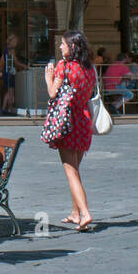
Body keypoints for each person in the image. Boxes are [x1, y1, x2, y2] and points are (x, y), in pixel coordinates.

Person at [44, 29, 96, 231]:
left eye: (62, 44)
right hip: (83, 120)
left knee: (70, 170)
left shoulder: (64, 67)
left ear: (72, 47)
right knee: (76, 168)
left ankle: (84, 213)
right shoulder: (89, 68)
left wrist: (48, 77)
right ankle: (75, 213)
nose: (59, 47)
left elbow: (52, 93)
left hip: (67, 122)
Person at [0, 33, 26, 114]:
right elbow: (15, 62)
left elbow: (2, 61)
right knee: (10, 91)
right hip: (9, 72)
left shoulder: (5, 50)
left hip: (6, 71)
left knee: (9, 90)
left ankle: (7, 108)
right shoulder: (11, 50)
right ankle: (6, 108)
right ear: (11, 41)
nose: (16, 43)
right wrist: (24, 66)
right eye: (15, 41)